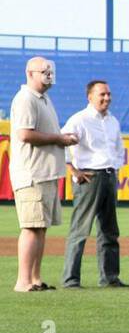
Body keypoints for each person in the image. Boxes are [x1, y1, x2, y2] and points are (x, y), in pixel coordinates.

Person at [8, 57, 77, 292]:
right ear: (30, 73)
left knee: (41, 226)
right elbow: (25, 134)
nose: (49, 75)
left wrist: (62, 137)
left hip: (45, 174)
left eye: (51, 71)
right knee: (30, 226)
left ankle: (35, 278)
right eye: (44, 71)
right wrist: (60, 139)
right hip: (32, 174)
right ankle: (23, 281)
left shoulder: (44, 98)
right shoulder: (26, 99)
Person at [61, 80, 129, 288]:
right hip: (89, 177)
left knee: (110, 231)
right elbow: (61, 141)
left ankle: (109, 278)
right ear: (89, 96)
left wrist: (115, 167)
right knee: (80, 230)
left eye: (108, 94)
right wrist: (73, 170)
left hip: (108, 176)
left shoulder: (113, 121)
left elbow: (118, 148)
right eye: (102, 94)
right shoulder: (79, 119)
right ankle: (71, 279)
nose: (107, 98)